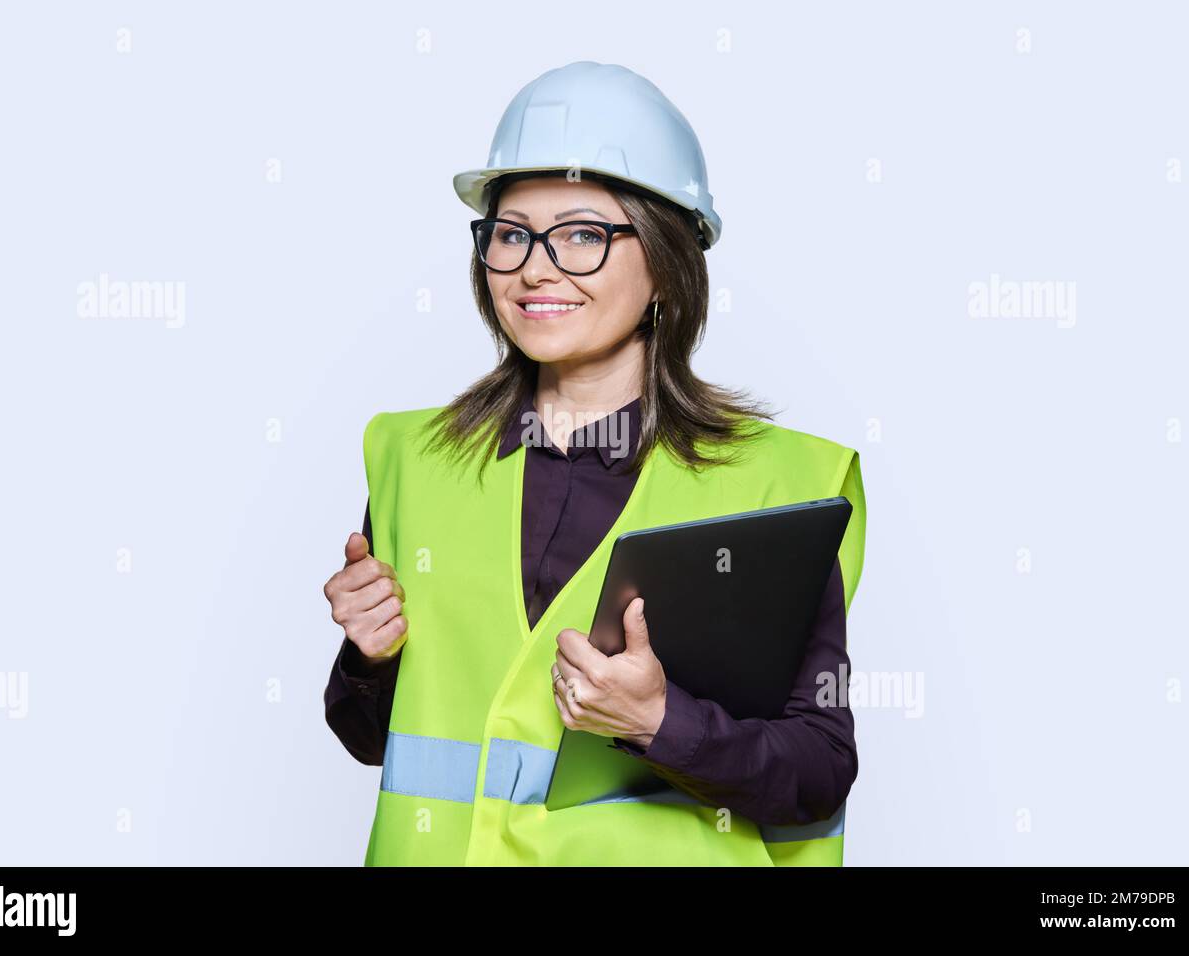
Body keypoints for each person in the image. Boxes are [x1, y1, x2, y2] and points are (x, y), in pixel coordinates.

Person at [322, 61, 867, 866]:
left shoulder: (779, 486)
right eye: (511, 233)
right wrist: (368, 657)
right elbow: (375, 744)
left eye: (582, 233)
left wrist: (659, 724)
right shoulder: (415, 460)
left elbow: (820, 770)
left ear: (664, 262)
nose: (535, 267)